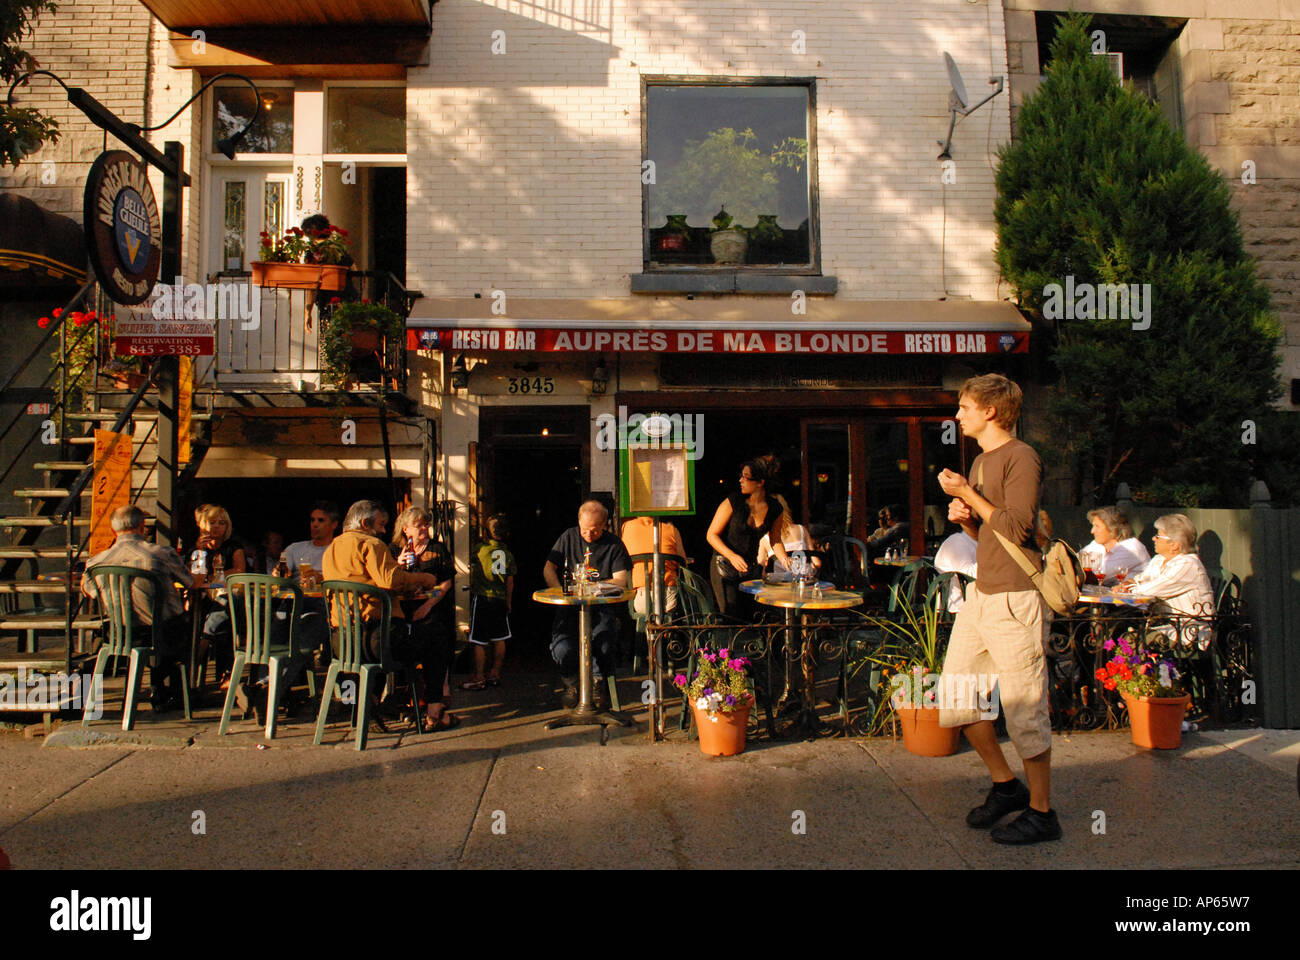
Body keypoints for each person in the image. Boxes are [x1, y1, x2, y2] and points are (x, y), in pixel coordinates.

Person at [937, 373, 1060, 845]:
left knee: (1025, 707)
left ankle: (1043, 813)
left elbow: (1021, 528)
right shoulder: (984, 461)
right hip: (982, 594)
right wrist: (968, 520)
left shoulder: (1021, 456)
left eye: (964, 407)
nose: (958, 415)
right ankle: (1006, 785)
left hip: (1015, 598)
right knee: (957, 698)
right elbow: (993, 534)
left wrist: (969, 497)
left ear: (990, 411)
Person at [321, 500, 448, 727]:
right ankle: (435, 712)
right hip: (375, 641)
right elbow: (391, 580)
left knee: (403, 638)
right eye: (381, 524)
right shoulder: (371, 544)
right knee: (436, 639)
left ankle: (370, 703)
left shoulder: (331, 548)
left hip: (342, 642)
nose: (384, 530)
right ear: (365, 523)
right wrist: (422, 579)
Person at [82, 506, 193, 712]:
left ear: (113, 530)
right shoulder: (162, 554)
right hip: (162, 632)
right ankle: (171, 692)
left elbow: (90, 592)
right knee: (184, 625)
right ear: (142, 526)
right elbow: (188, 581)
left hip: (119, 632)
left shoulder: (95, 562)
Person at [542, 500, 632, 709]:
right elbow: (548, 568)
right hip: (570, 606)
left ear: (604, 525)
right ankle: (572, 683)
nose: (588, 536)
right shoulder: (568, 537)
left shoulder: (614, 544)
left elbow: (621, 579)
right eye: (584, 530)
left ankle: (597, 683)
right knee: (562, 646)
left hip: (601, 606)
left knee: (603, 643)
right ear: (578, 523)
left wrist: (596, 587)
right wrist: (561, 593)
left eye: (594, 531)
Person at [390, 506, 458, 728]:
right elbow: (385, 580)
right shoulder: (393, 551)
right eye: (419, 524)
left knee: (435, 646)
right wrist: (397, 564)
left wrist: (429, 604)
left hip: (430, 610)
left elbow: (446, 583)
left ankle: (433, 707)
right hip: (401, 612)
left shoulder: (437, 549)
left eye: (426, 524)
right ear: (406, 529)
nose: (424, 528)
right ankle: (407, 702)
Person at [1117, 513, 1215, 648]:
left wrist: (1127, 587)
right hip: (1166, 625)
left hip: (1188, 632)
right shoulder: (1159, 559)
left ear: (1174, 544)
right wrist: (1128, 584)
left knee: (1131, 643)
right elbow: (1140, 579)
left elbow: (1151, 590)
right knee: (1116, 633)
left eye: (1158, 536)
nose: (1153, 538)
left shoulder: (1188, 565)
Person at [706, 459, 788, 616]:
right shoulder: (734, 501)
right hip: (724, 566)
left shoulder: (775, 508)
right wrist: (731, 556)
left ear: (760, 482)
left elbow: (775, 540)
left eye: (746, 477)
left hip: (749, 568)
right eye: (741, 476)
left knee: (753, 614)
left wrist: (785, 560)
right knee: (730, 614)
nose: (740, 480)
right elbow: (711, 534)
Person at [276, 501, 341, 661]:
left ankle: (270, 680)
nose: (315, 525)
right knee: (276, 624)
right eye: (312, 520)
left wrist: (323, 578)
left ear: (334, 524)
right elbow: (281, 571)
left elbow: (347, 578)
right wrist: (280, 572)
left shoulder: (339, 549)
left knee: (306, 633)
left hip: (324, 604)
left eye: (321, 520)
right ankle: (262, 678)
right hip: (294, 601)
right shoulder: (295, 548)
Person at [191, 504, 246, 688]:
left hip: (231, 599)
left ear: (227, 527)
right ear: (203, 525)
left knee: (224, 605)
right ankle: (226, 675)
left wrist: (215, 577)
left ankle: (203, 643)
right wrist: (200, 553)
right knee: (223, 624)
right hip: (204, 601)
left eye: (221, 523)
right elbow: (196, 580)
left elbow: (239, 571)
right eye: (212, 522)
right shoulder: (197, 549)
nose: (216, 527)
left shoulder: (233, 547)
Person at [464, 513, 516, 689]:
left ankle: (479, 675)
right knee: (500, 637)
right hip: (500, 599)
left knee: (479, 639)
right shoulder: (507, 554)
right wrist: (508, 601)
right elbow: (510, 580)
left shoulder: (480, 549)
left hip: (483, 597)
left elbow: (470, 565)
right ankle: (495, 672)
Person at [620, 514, 683, 616]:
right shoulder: (671, 529)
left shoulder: (627, 527)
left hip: (639, 598)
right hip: (668, 596)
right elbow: (682, 563)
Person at [1077, 506, 1149, 584]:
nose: (1092, 531)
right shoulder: (1097, 544)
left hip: (1133, 594)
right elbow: (1075, 560)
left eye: (1097, 526)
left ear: (1113, 529)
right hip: (1107, 593)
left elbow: (1101, 574)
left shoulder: (1131, 547)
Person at [756, 502, 820, 575]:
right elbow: (816, 562)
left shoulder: (765, 539)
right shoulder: (801, 530)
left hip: (778, 583)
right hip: (803, 581)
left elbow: (760, 566)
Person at [933, 529, 978, 614]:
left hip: (975, 603)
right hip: (956, 607)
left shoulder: (975, 542)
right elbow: (967, 577)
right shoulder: (958, 542)